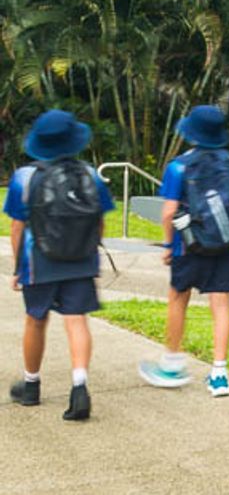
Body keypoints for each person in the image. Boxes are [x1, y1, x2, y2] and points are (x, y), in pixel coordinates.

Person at [139, 105, 229, 396]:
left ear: (191, 132)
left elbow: (168, 213)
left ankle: (171, 364)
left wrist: (169, 245)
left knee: (178, 299)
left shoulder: (178, 166)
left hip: (189, 244)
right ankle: (219, 374)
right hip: (228, 245)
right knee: (221, 304)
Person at [5, 110, 115, 421]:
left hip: (39, 261)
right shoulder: (91, 174)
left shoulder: (25, 178)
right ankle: (79, 387)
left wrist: (17, 268)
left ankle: (30, 386)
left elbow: (16, 227)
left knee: (35, 320)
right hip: (81, 260)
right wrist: (89, 250)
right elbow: (100, 221)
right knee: (76, 320)